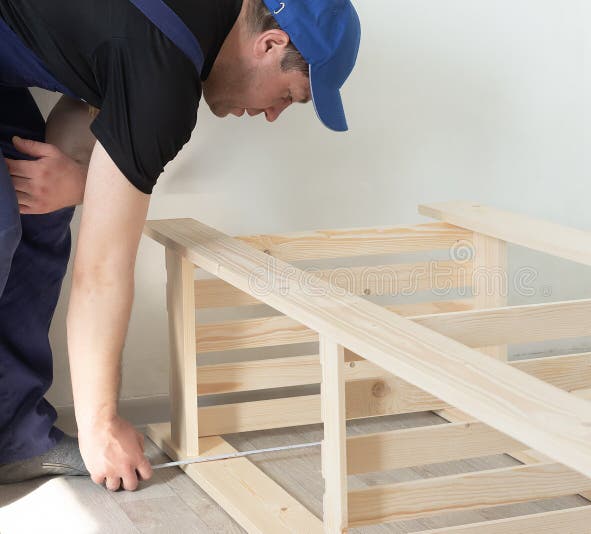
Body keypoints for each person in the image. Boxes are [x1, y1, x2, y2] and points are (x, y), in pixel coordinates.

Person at [0, 0, 360, 492]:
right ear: (271, 45)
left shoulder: (185, 29)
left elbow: (81, 110)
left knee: (36, 206)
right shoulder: (162, 74)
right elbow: (101, 270)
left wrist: (79, 180)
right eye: (290, 95)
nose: (272, 115)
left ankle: (12, 439)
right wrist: (100, 424)